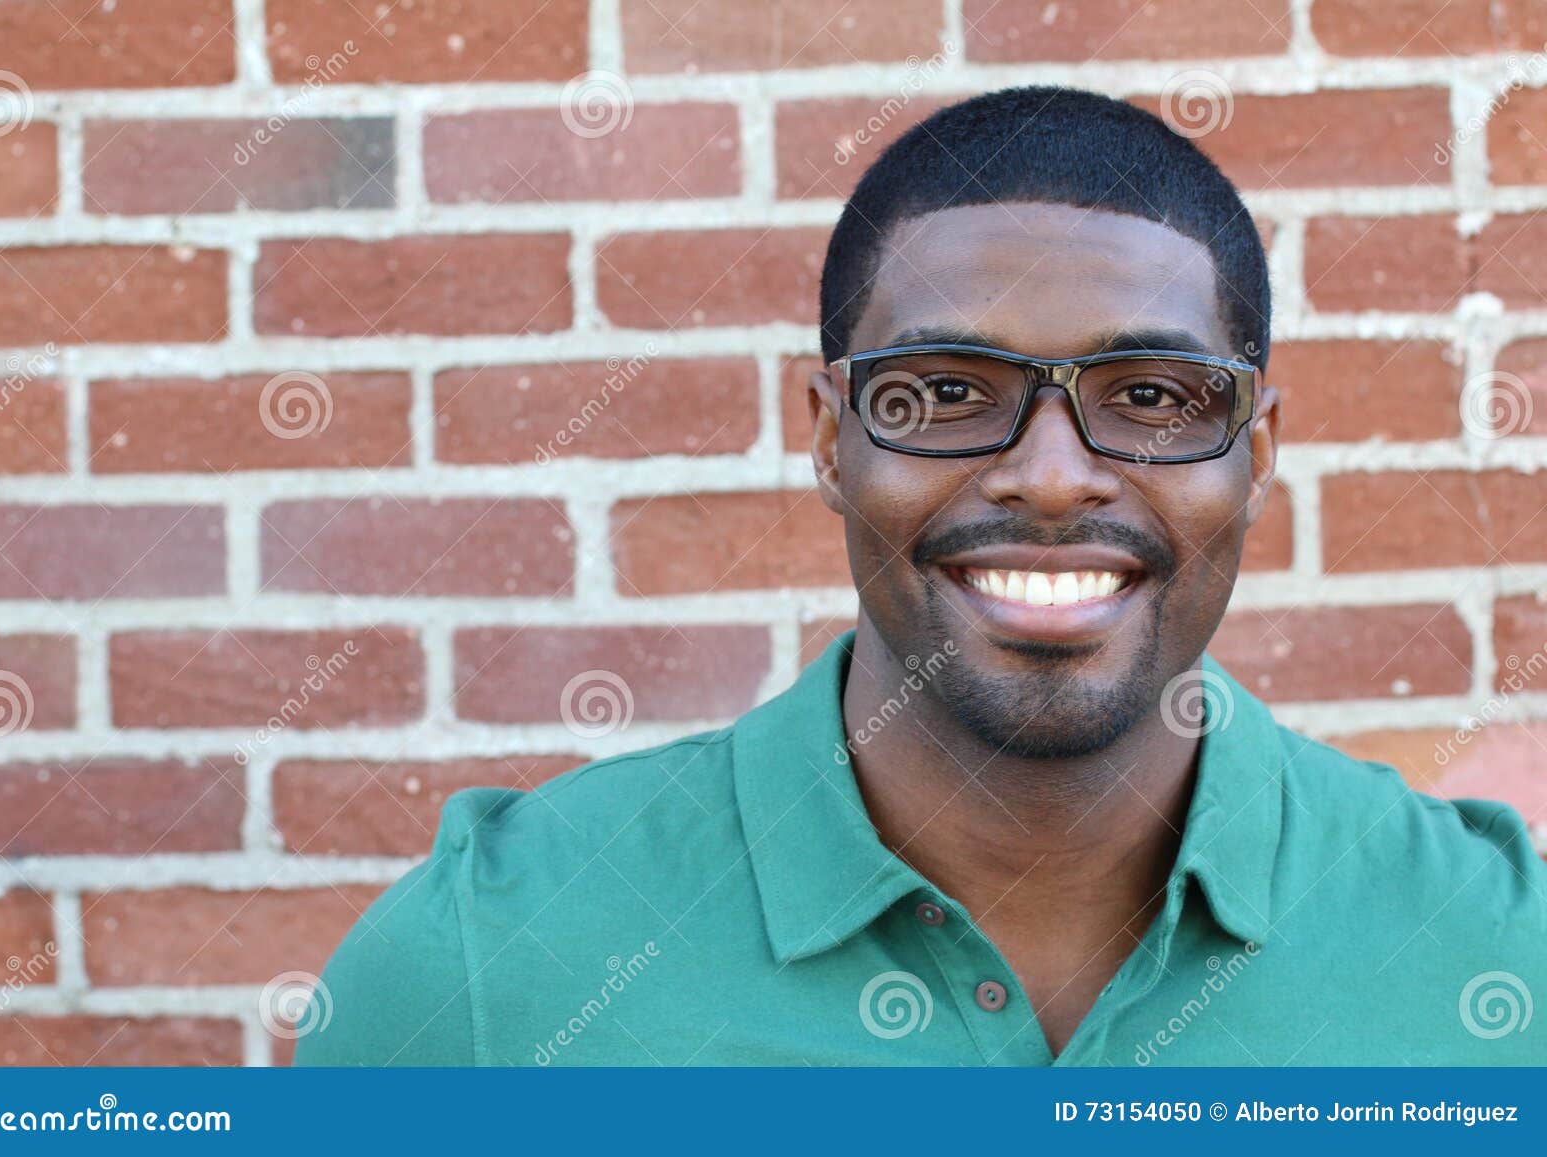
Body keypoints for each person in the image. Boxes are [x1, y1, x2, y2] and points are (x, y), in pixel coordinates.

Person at [295, 85, 1545, 1066]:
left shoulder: (1497, 959)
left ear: (1255, 451)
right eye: (947, 392)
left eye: (1152, 397)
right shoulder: (487, 967)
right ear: (830, 438)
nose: (1052, 479)